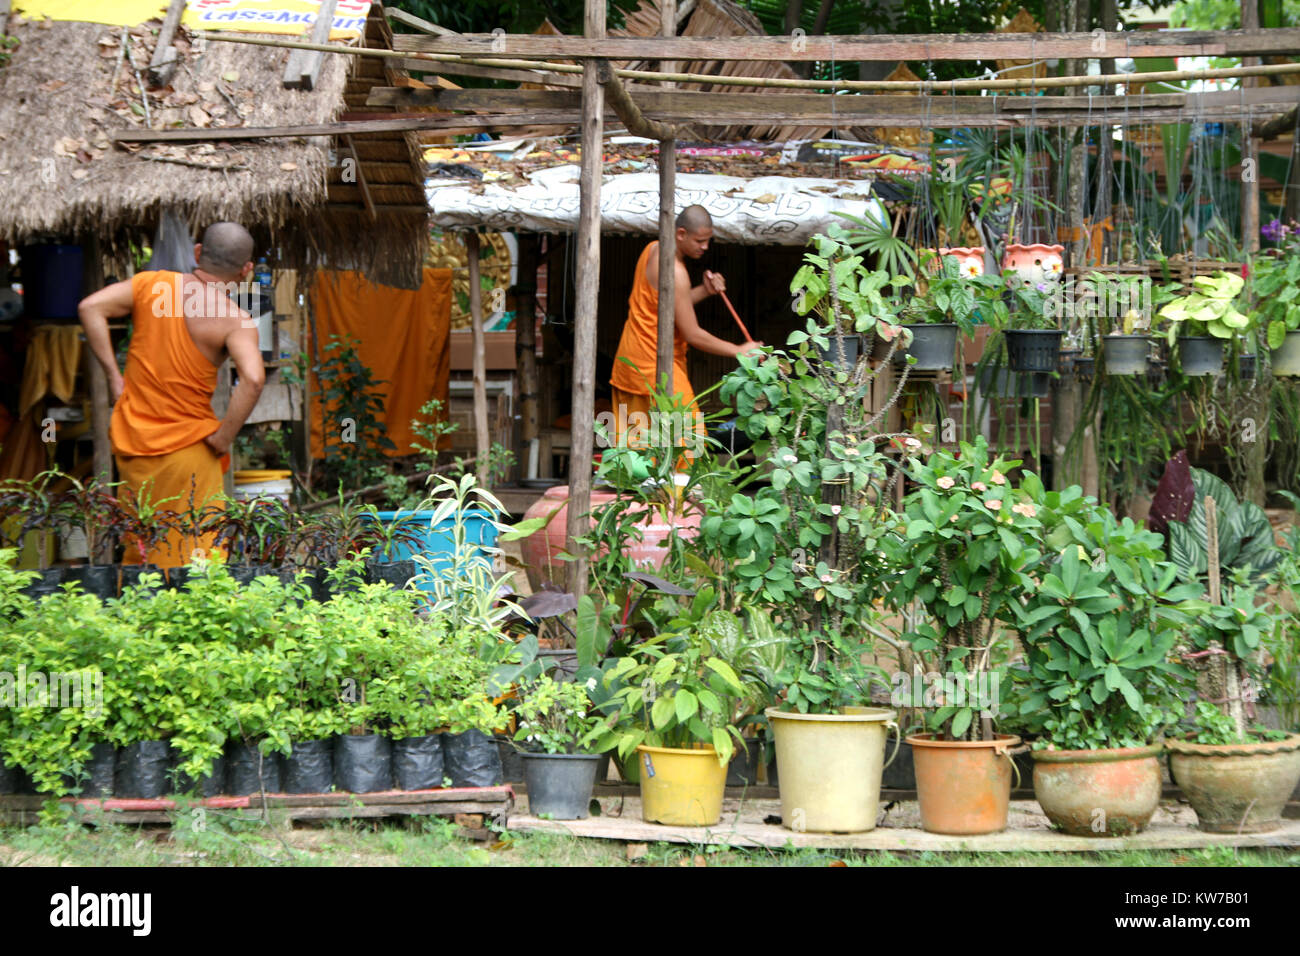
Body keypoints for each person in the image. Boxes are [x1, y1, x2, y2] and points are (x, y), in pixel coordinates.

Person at [78, 221, 265, 568]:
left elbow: (90, 307)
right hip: (191, 449)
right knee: (198, 551)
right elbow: (253, 379)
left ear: (197, 253)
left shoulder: (154, 286)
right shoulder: (234, 320)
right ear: (246, 269)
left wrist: (113, 377)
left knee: (144, 548)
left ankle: (141, 618)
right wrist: (224, 437)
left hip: (135, 444)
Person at [609, 205, 761, 453]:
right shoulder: (676, 272)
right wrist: (739, 350)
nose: (705, 247)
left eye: (708, 241)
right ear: (681, 234)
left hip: (631, 360)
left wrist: (704, 291)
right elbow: (693, 334)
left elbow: (668, 305)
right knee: (688, 440)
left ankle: (649, 491)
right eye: (700, 241)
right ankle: (676, 492)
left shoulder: (653, 249)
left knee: (642, 445)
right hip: (652, 366)